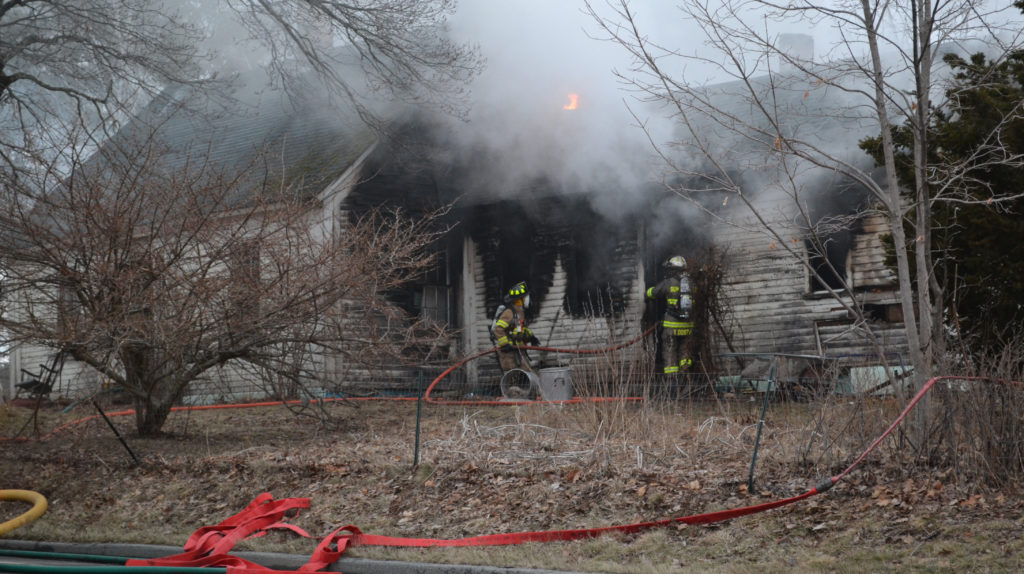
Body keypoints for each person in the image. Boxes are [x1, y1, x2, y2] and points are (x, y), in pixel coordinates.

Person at [646, 255, 694, 376]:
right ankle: (685, 374)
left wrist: (648, 291)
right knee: (685, 350)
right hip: (688, 326)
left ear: (673, 269)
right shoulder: (691, 283)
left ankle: (672, 381)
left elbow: (654, 292)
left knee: (669, 350)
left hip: (671, 326)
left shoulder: (668, 283)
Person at [491, 281, 541, 374]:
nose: (528, 299)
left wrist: (531, 337)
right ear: (520, 299)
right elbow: (498, 329)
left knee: (526, 376)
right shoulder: (509, 312)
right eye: (525, 297)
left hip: (518, 351)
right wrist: (504, 344)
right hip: (509, 354)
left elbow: (519, 330)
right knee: (513, 378)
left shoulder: (519, 312)